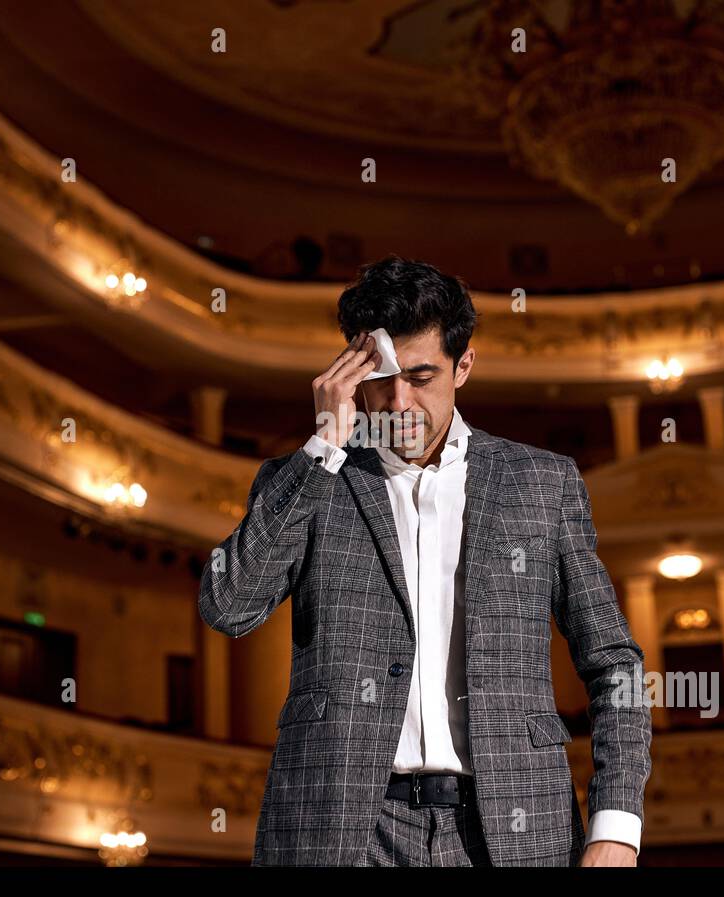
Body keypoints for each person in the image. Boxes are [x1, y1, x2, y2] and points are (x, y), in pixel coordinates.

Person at [199, 255, 652, 866]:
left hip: (511, 833)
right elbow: (228, 606)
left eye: (421, 376)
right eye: (380, 378)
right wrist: (321, 448)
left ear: (463, 366)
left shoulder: (542, 482)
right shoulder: (307, 479)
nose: (397, 401)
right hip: (343, 832)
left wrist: (617, 826)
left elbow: (614, 662)